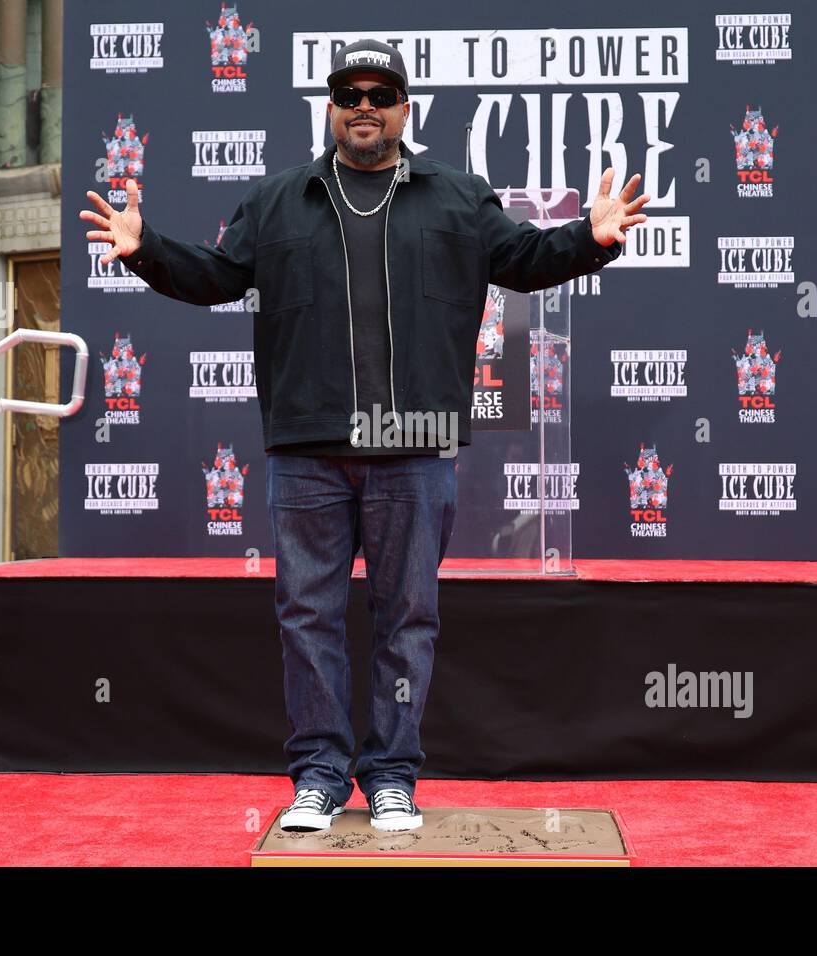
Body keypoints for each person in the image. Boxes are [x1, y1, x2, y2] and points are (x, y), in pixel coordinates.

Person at [80, 39, 650, 832]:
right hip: (308, 447)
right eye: (349, 94)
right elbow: (216, 275)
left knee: (406, 617)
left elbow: (522, 259)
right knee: (305, 614)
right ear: (330, 108)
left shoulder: (456, 196)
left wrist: (589, 236)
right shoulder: (278, 201)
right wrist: (146, 253)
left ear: (404, 110)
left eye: (381, 94)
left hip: (415, 447)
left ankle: (390, 776)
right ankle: (317, 771)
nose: (364, 107)